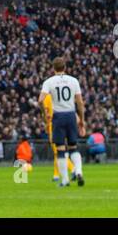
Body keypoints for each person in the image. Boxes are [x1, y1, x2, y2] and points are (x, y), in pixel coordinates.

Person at [39, 56, 86, 188]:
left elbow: (40, 100)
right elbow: (80, 103)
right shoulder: (73, 81)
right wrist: (81, 120)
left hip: (58, 117)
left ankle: (65, 180)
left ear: (53, 68)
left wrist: (44, 113)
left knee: (60, 150)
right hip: (71, 115)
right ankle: (78, 171)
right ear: (65, 67)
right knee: (73, 147)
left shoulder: (49, 82)